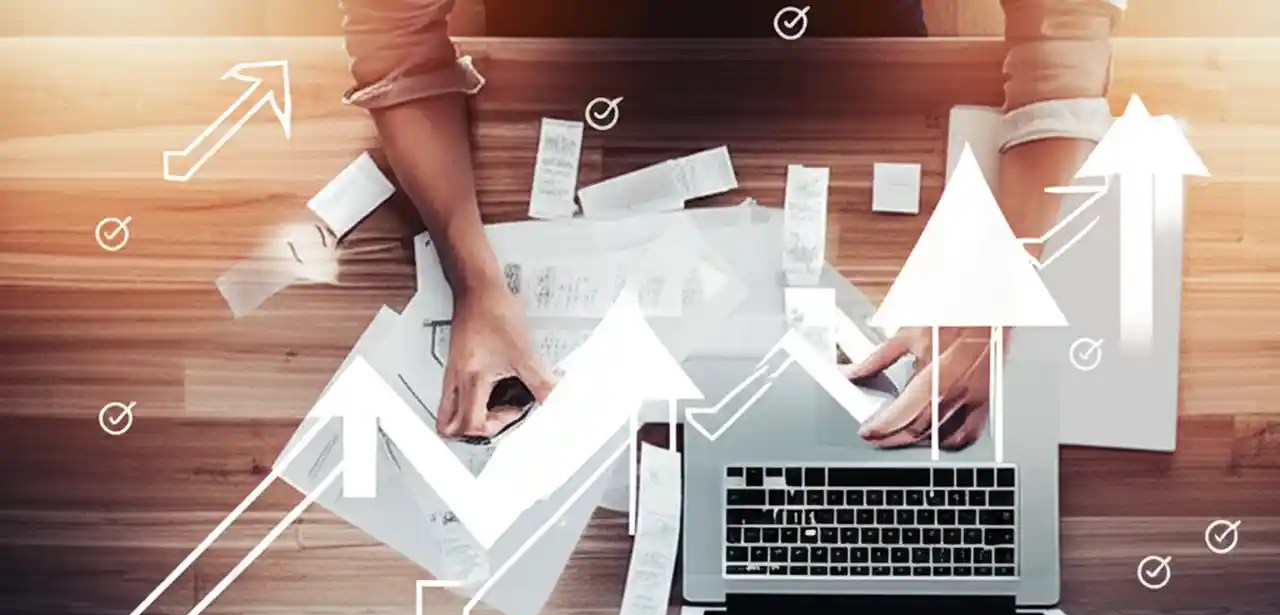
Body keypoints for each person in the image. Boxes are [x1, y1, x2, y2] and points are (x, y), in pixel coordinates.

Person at [338, 0, 1124, 449]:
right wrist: (473, 275)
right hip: (582, 74)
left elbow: (1066, 27)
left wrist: (998, 279)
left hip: (851, 68)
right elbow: (393, 38)